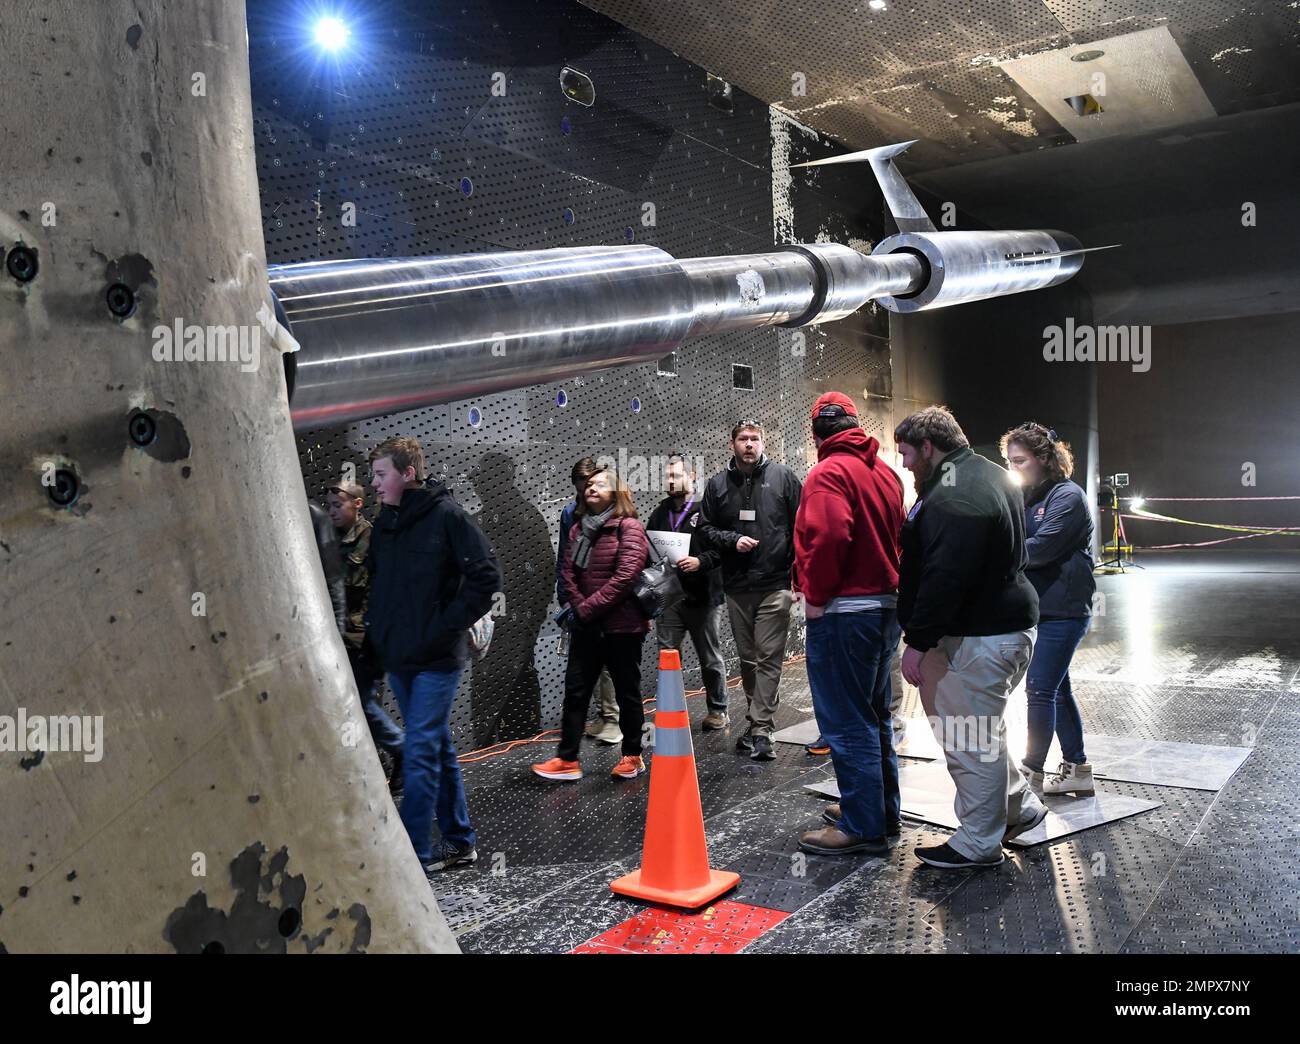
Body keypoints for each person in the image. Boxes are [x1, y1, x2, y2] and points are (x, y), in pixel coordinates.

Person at [895, 406, 1046, 869]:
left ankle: (979, 841)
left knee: (969, 738)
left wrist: (917, 642)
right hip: (1004, 630)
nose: (903, 464)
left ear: (928, 447)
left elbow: (947, 575)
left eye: (906, 453)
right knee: (986, 732)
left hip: (979, 637)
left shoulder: (954, 496)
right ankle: (1021, 809)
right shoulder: (989, 475)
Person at [365, 436, 501, 875]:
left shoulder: (447, 517)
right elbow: (380, 590)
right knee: (437, 748)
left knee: (421, 750)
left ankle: (411, 858)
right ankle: (460, 842)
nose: (372, 483)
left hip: (438, 659)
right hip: (402, 658)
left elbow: (486, 575)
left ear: (407, 474)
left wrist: (446, 623)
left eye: (381, 474)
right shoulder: (385, 523)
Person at [793, 393, 905, 855]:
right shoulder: (885, 473)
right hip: (884, 611)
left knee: (846, 721)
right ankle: (880, 809)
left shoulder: (827, 473)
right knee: (876, 716)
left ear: (817, 432)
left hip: (844, 614)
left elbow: (831, 535)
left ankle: (861, 825)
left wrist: (815, 598)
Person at [532, 465, 651, 782]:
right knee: (576, 692)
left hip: (622, 627)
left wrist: (587, 608)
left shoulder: (629, 527)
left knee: (627, 693)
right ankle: (567, 759)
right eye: (589, 484)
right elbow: (568, 572)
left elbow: (625, 578)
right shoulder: (578, 529)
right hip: (587, 626)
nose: (592, 488)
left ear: (617, 491)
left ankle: (632, 756)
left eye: (600, 483)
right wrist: (579, 607)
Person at [1002, 422, 1097, 796]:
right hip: (1043, 610)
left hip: (1065, 610)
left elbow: (1039, 548)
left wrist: (997, 554)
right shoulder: (1028, 495)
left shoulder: (1067, 496)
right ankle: (1078, 768)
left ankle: (1031, 774)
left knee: (1040, 688)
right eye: (1009, 461)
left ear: (1044, 458)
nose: (1013, 468)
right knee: (1057, 689)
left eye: (1020, 460)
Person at [700, 421, 802, 761]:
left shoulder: (784, 478)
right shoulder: (717, 485)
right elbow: (706, 529)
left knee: (768, 658)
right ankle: (758, 721)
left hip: (775, 584)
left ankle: (761, 729)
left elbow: (801, 526)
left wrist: (793, 573)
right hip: (737, 587)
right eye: (743, 439)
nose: (749, 444)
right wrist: (732, 540)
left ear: (763, 442)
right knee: (748, 661)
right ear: (732, 444)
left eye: (755, 439)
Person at [326, 479, 405, 792]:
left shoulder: (373, 540)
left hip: (362, 640)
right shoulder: (327, 540)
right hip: (336, 638)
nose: (331, 511)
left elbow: (384, 592)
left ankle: (403, 750)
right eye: (328, 505)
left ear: (357, 504)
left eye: (338, 505)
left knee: (361, 703)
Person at [647, 455, 728, 729]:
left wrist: (699, 561)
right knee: (667, 655)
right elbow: (649, 551)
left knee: (709, 657)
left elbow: (722, 550)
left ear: (691, 475)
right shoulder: (660, 513)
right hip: (669, 598)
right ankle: (670, 709)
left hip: (705, 597)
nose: (670, 481)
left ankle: (718, 710)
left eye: (676, 475)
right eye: (667, 476)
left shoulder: (708, 509)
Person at [557, 457, 622, 746]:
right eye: (581, 486)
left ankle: (612, 718)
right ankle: (600, 716)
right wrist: (567, 599)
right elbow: (565, 559)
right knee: (584, 664)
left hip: (605, 599)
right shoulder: (570, 514)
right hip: (579, 599)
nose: (587, 492)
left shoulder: (616, 514)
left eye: (591, 485)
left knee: (607, 663)